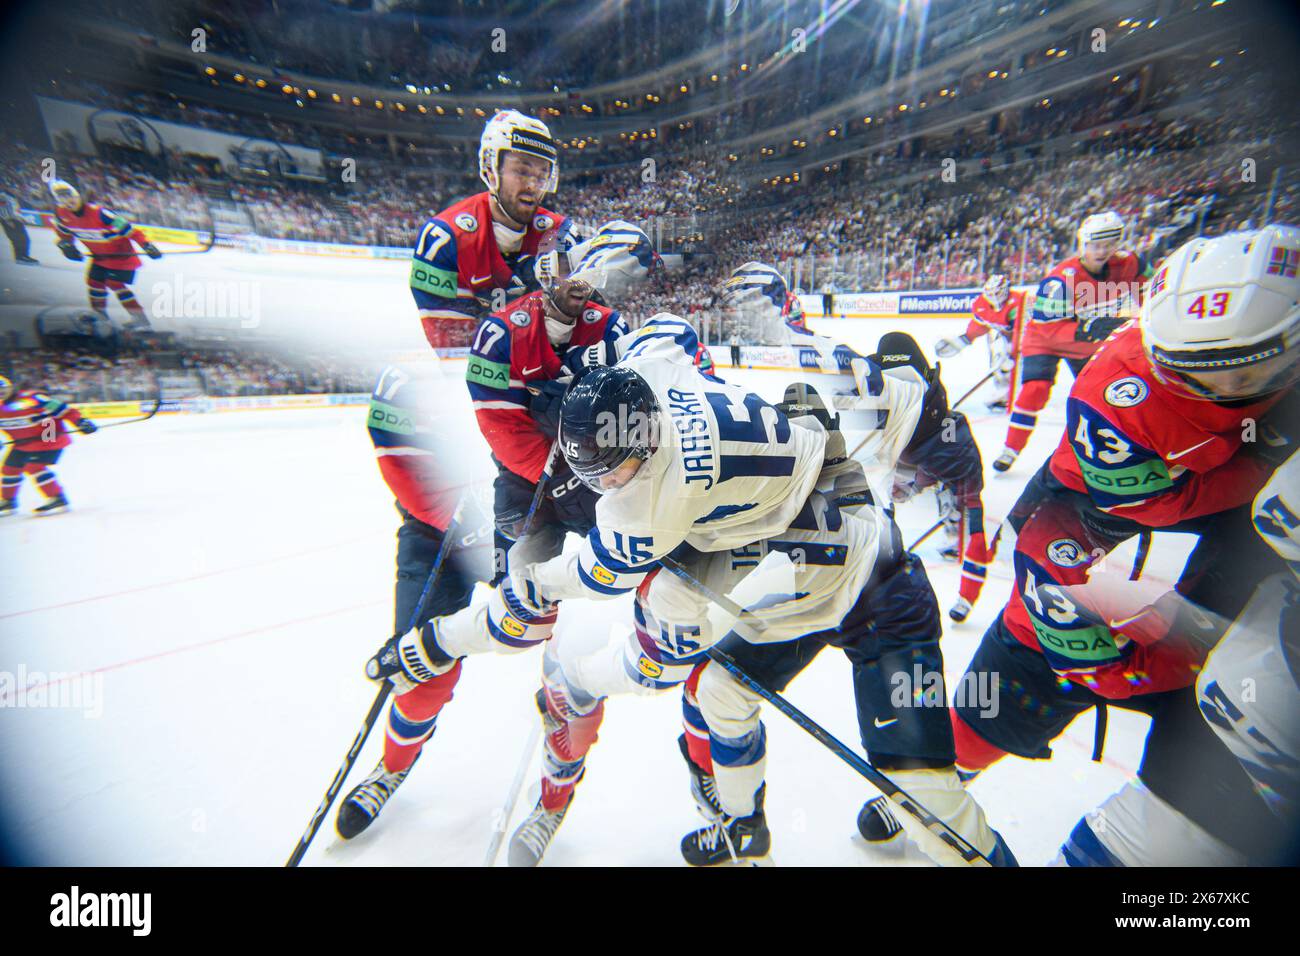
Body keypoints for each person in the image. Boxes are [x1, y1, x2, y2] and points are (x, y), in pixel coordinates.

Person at [860, 225, 1300, 852]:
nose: (1212, 389)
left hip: (1221, 599)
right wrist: (1260, 475)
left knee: (1207, 794)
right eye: (1190, 367)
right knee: (1006, 688)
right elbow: (1137, 502)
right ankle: (940, 775)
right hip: (1089, 556)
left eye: (1236, 371)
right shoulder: (1118, 397)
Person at [338, 222, 658, 837]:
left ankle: (557, 783)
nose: (467, 320)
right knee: (432, 666)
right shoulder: (409, 387)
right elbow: (413, 473)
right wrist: (464, 508)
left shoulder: (598, 329)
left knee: (568, 657)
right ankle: (392, 766)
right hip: (451, 531)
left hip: (564, 500)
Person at [991, 212, 1153, 472]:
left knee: (1105, 394)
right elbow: (1049, 329)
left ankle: (1111, 448)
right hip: (1045, 340)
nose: (1101, 251)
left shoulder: (1130, 263)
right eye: (1095, 245)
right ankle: (1011, 448)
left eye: (1108, 244)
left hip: (1086, 343)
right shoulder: (1060, 279)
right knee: (1035, 390)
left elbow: (1153, 292)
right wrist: (1090, 327)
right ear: (1083, 244)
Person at [409, 110, 572, 352]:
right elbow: (457, 353)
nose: (532, 186)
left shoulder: (560, 232)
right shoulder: (444, 239)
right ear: (490, 167)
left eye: (542, 175)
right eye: (522, 171)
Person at [49, 179, 161, 331]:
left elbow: (130, 230)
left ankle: (140, 319)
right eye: (63, 200)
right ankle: (100, 316)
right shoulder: (62, 215)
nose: (69, 202)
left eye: (71, 197)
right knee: (94, 283)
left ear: (78, 196)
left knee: (115, 284)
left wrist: (147, 245)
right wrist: (66, 246)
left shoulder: (101, 214)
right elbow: (64, 234)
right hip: (99, 257)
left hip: (121, 257)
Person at [0, 373, 97, 516]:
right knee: (9, 469)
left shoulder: (34, 398)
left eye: (3, 389)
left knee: (33, 466)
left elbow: (63, 409)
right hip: (22, 443)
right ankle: (8, 501)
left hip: (49, 436)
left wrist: (81, 422)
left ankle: (57, 498)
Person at [935, 273, 1023, 410]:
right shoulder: (981, 304)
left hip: (1025, 337)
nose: (994, 296)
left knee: (1018, 364)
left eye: (997, 292)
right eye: (990, 292)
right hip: (1003, 336)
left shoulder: (1017, 302)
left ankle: (1021, 392)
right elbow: (980, 326)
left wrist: (1015, 351)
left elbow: (1023, 329)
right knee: (998, 358)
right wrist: (966, 338)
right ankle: (1004, 393)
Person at [1, 188, 37, 264]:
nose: (16, 190)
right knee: (17, 239)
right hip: (9, 220)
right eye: (15, 189)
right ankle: (19, 257)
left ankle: (24, 255)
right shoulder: (3, 196)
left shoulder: (12, 197)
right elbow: (2, 209)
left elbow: (15, 210)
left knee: (24, 238)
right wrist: (8, 220)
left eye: (17, 189)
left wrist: (21, 219)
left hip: (16, 220)